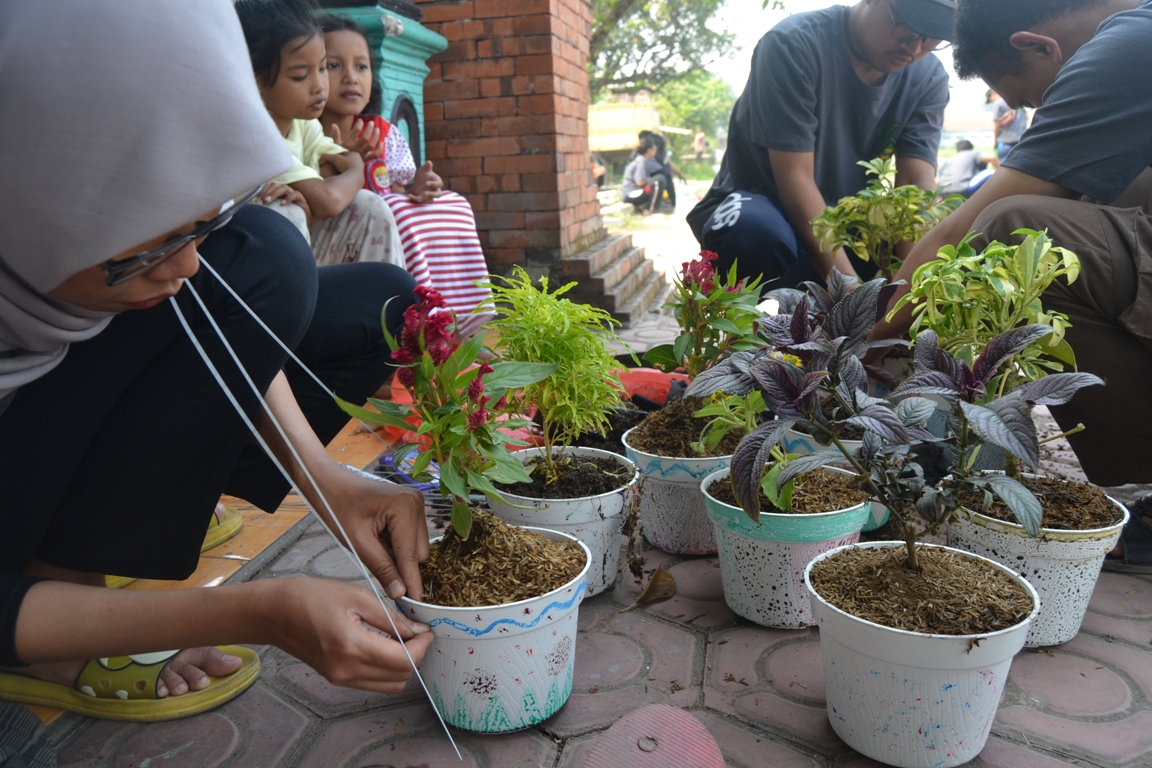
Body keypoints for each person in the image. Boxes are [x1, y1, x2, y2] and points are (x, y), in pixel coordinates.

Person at [0, 0, 433, 724]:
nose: (187, 265)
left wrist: (325, 480)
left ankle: (157, 509)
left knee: (294, 266)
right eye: (147, 241)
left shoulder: (118, 266)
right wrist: (253, 611)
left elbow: (211, 311)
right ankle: (56, 618)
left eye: (203, 221)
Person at [870, 0, 1152, 571]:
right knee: (1106, 192)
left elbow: (967, 231)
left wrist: (857, 339)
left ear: (1037, 46)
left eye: (1033, 101)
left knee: (1015, 232)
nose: (1038, 116)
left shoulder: (1126, 46)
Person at [687, 0, 954, 291]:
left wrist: (911, 291)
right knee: (752, 235)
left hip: (844, 222)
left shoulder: (928, 77)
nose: (915, 49)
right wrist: (852, 294)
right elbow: (795, 179)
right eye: (909, 29)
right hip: (766, 211)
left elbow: (915, 188)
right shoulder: (794, 44)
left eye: (931, 37)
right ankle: (736, 329)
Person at [318, 16, 494, 338]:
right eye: (333, 65)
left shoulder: (383, 132)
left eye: (361, 66)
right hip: (341, 242)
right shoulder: (311, 136)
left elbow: (398, 190)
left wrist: (419, 187)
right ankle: (419, 330)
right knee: (391, 210)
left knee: (454, 205)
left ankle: (458, 327)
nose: (350, 78)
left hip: (387, 230)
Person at [236, 0, 406, 269]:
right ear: (254, 82)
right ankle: (299, 310)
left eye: (323, 68)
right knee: (285, 212)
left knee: (369, 206)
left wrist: (337, 178)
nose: (319, 86)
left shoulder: (304, 125)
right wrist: (356, 169)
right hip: (248, 271)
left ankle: (381, 305)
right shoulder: (255, 138)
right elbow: (329, 198)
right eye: (301, 76)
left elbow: (330, 177)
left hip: (299, 256)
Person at [622, 137, 663, 215]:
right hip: (631, 194)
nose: (656, 150)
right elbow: (639, 182)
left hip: (631, 193)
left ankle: (643, 207)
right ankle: (649, 209)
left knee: (656, 180)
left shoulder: (640, 159)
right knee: (659, 180)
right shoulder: (641, 160)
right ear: (649, 150)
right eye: (654, 147)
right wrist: (650, 181)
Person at [988, 88, 1028, 160]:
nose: (991, 102)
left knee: (1005, 166)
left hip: (1005, 141)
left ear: (992, 95)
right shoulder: (1017, 100)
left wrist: (995, 141)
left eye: (990, 100)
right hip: (1022, 140)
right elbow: (1026, 117)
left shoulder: (998, 103)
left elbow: (996, 124)